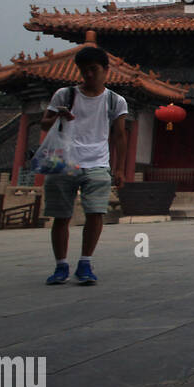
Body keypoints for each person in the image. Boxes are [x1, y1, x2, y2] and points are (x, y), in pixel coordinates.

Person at [40, 46, 128, 285]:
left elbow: (120, 135)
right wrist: (59, 115)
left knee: (96, 213)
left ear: (105, 71)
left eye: (94, 70)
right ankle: (60, 265)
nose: (89, 75)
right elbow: (44, 123)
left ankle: (85, 262)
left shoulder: (115, 100)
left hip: (98, 162)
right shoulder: (64, 95)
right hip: (64, 162)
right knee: (61, 215)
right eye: (84, 70)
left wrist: (119, 169)